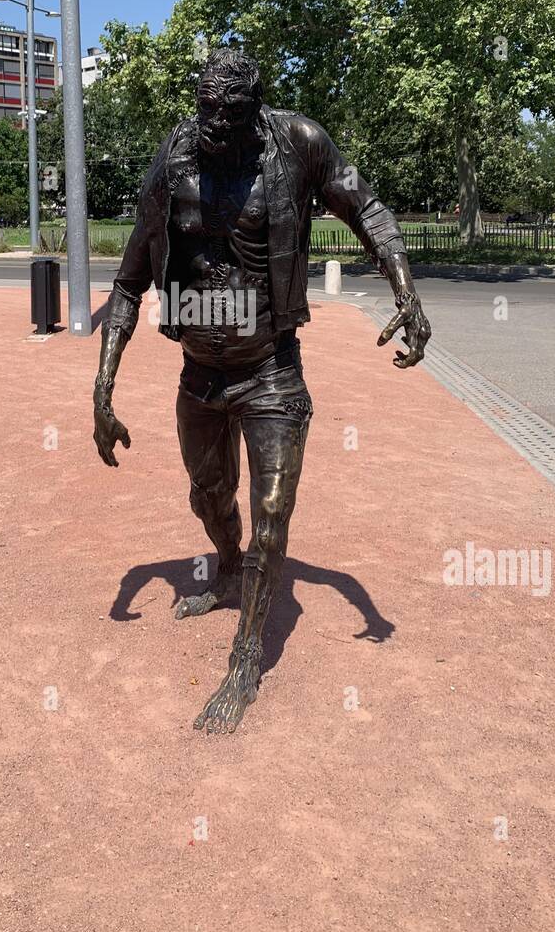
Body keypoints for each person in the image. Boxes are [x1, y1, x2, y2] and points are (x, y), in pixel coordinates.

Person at [92, 47, 431, 735]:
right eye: (205, 113)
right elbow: (130, 276)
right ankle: (225, 573)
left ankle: (244, 662)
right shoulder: (176, 155)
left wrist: (404, 286)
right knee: (208, 496)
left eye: (230, 116)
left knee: (271, 513)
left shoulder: (298, 142)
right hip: (198, 372)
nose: (214, 129)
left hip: (270, 368)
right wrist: (102, 387)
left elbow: (366, 207)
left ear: (255, 110)